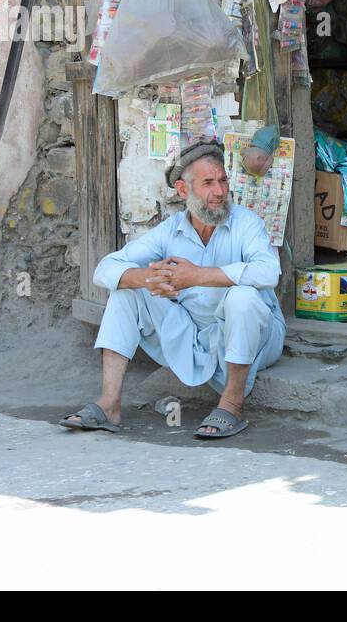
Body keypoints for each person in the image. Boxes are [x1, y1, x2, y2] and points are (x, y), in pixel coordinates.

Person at [60, 140, 285, 439]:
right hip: (194, 334)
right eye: (208, 183)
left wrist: (198, 276)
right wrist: (148, 278)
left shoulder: (247, 223)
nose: (219, 192)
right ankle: (109, 404)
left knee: (244, 297)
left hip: (256, 337)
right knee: (125, 291)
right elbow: (105, 269)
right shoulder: (169, 231)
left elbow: (270, 272)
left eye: (222, 181)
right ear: (183, 190)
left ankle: (231, 405)